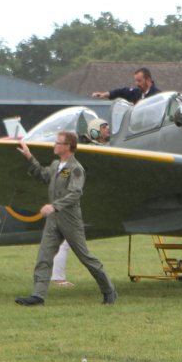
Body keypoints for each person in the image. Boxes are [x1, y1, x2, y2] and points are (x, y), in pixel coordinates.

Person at [14, 130, 117, 306]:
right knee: (44, 257)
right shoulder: (56, 165)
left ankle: (109, 291)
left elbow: (75, 193)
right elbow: (43, 175)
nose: (54, 145)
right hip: (54, 220)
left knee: (85, 257)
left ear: (68, 146)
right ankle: (38, 296)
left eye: (58, 143)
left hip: (69, 219)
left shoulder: (76, 169)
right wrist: (30, 157)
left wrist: (54, 206)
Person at [92, 67, 160, 104]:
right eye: (136, 81)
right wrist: (105, 94)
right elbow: (121, 92)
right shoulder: (136, 92)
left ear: (148, 80)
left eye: (139, 81)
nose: (137, 84)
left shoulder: (157, 96)